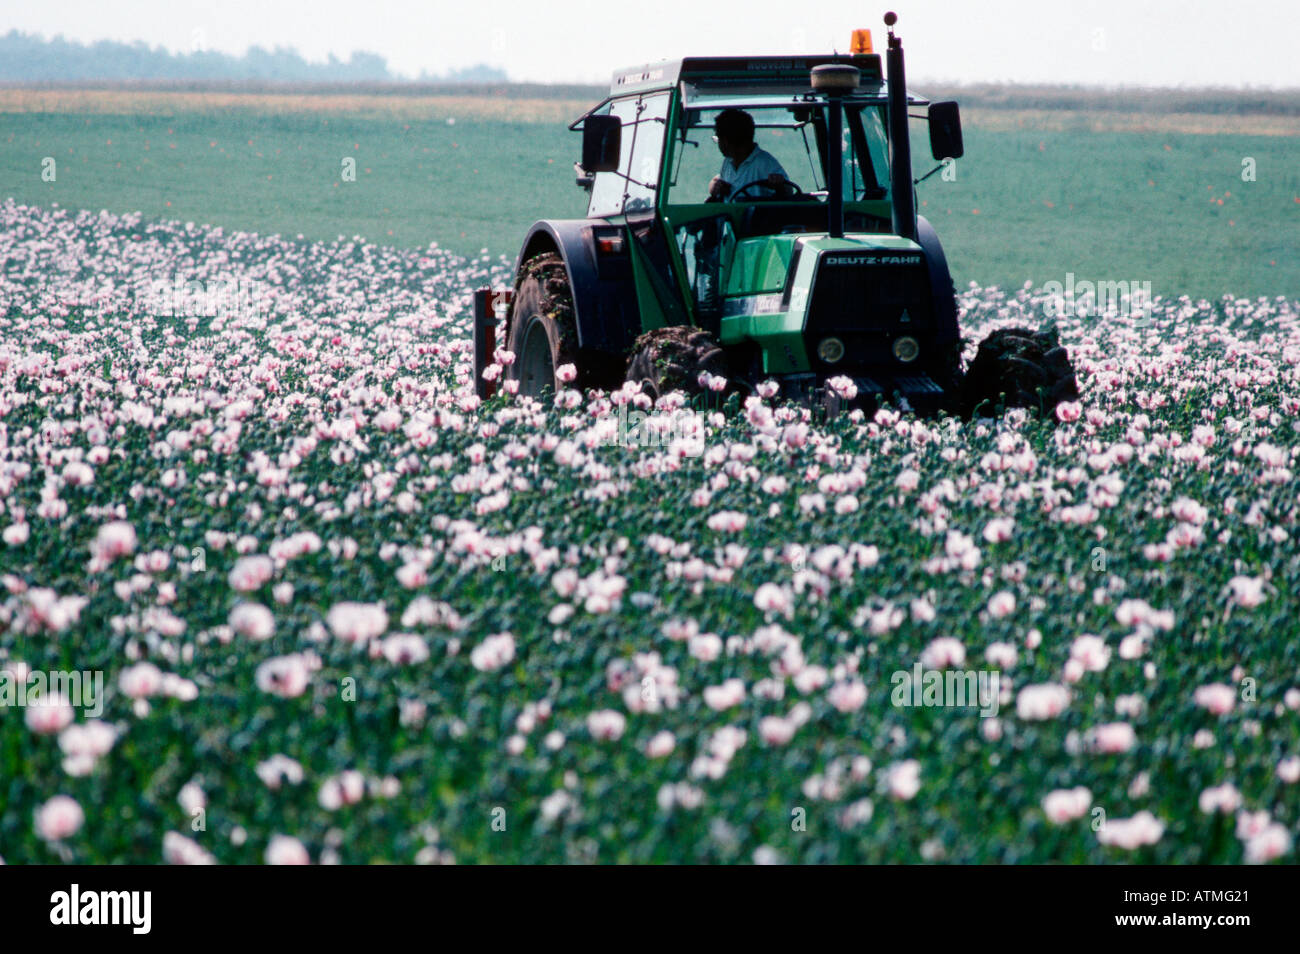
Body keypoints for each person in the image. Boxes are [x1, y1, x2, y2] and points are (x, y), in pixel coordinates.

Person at [707, 109, 789, 201]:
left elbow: (789, 191)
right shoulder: (728, 162)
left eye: (718, 138)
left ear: (726, 141)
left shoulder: (766, 163)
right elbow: (717, 181)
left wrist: (779, 185)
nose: (718, 143)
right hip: (729, 214)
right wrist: (716, 187)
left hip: (758, 215)